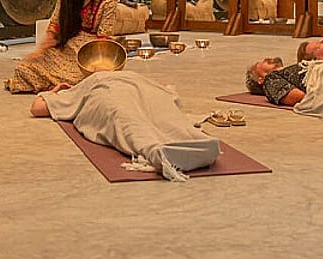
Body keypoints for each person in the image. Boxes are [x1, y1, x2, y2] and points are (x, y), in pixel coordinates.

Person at [29, 71, 220, 181]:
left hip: (113, 92)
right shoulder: (132, 75)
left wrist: (53, 91)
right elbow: (171, 91)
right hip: (137, 91)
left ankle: (159, 152)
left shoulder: (89, 81)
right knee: (163, 120)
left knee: (131, 121)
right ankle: (199, 143)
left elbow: (37, 108)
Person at [5, 0, 118, 93]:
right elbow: (55, 25)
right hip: (66, 49)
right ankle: (61, 86)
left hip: (90, 55)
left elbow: (105, 40)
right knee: (24, 69)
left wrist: (99, 64)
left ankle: (62, 86)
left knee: (90, 77)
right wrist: (40, 50)